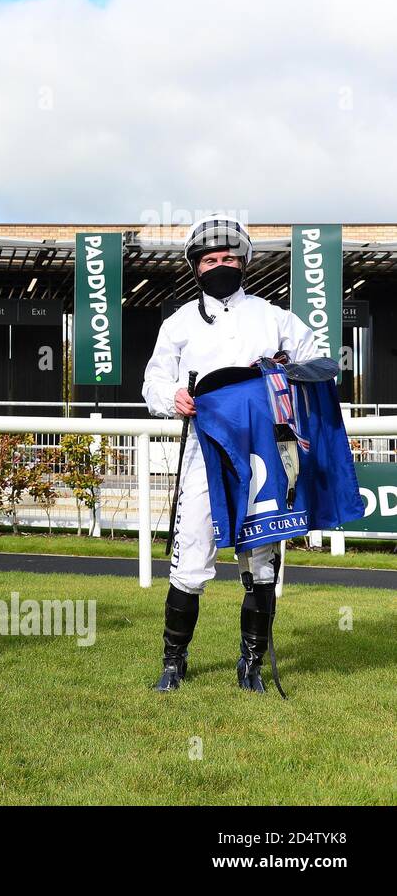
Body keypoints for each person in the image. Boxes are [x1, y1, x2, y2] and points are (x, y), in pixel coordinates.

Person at [142, 215, 316, 693]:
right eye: (211, 259)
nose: (220, 265)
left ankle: (251, 666)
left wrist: (285, 372)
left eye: (229, 258)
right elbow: (154, 380)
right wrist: (172, 397)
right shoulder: (178, 323)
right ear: (196, 268)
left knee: (261, 559)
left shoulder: (274, 317)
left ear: (244, 263)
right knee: (192, 553)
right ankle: (173, 663)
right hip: (203, 449)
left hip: (261, 452)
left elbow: (315, 361)